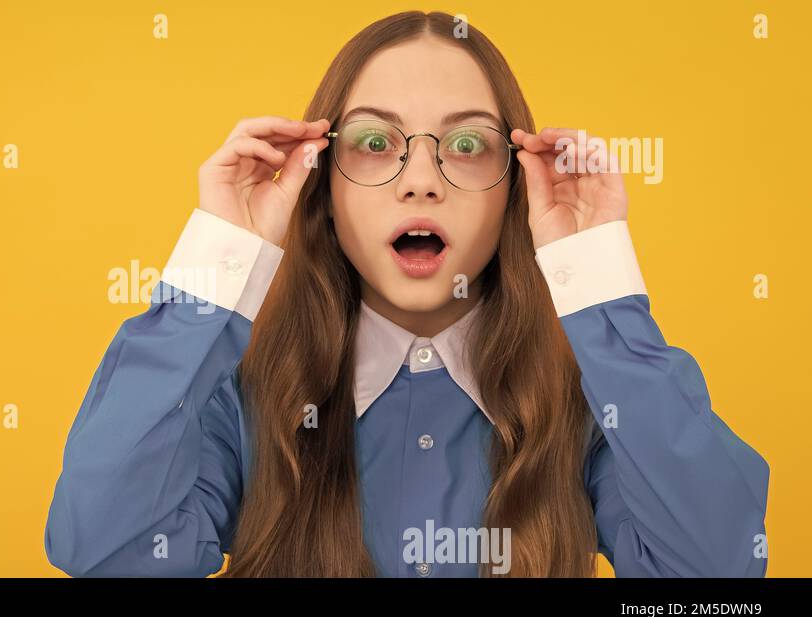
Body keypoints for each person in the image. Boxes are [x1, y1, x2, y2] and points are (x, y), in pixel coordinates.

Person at [44, 10, 770, 577]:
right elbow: (107, 549)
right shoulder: (237, 399)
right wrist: (220, 256)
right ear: (321, 188)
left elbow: (712, 574)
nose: (420, 179)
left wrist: (598, 274)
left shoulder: (590, 403)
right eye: (374, 142)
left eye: (465, 146)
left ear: (516, 192)